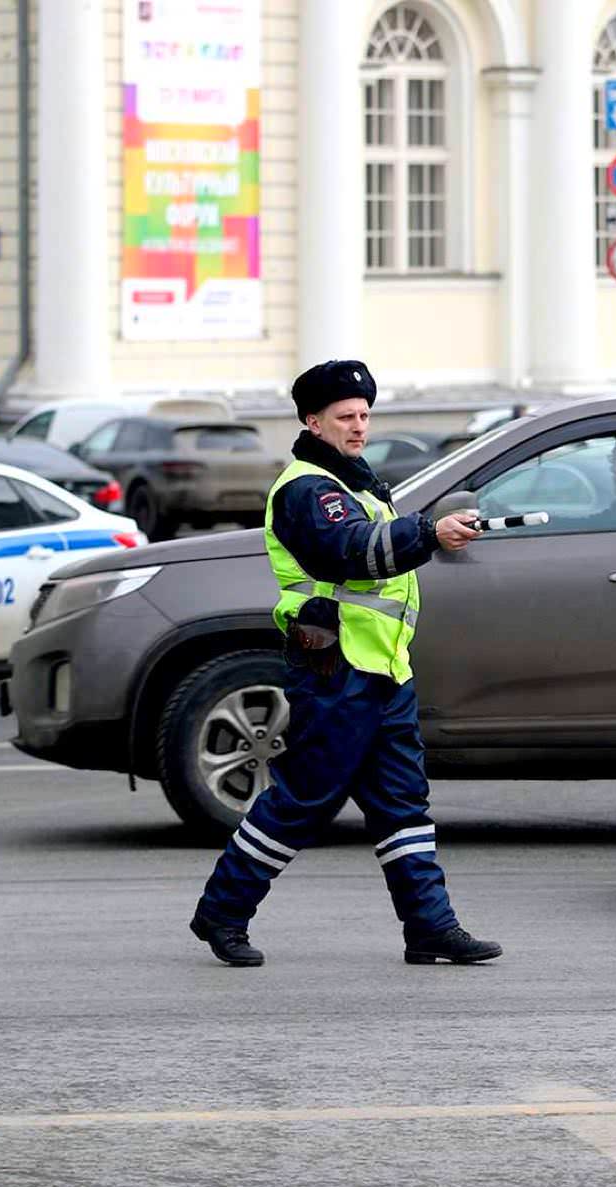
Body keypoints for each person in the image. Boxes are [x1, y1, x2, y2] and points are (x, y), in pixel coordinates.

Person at [189, 359, 501, 969]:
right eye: (345, 417)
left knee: (403, 807)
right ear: (313, 421)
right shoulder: (308, 488)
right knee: (303, 799)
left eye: (364, 415)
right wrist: (429, 532)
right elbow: (352, 554)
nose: (359, 426)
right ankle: (222, 912)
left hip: (383, 669)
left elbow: (382, 559)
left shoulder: (356, 484)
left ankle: (431, 928)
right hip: (335, 672)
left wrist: (434, 535)